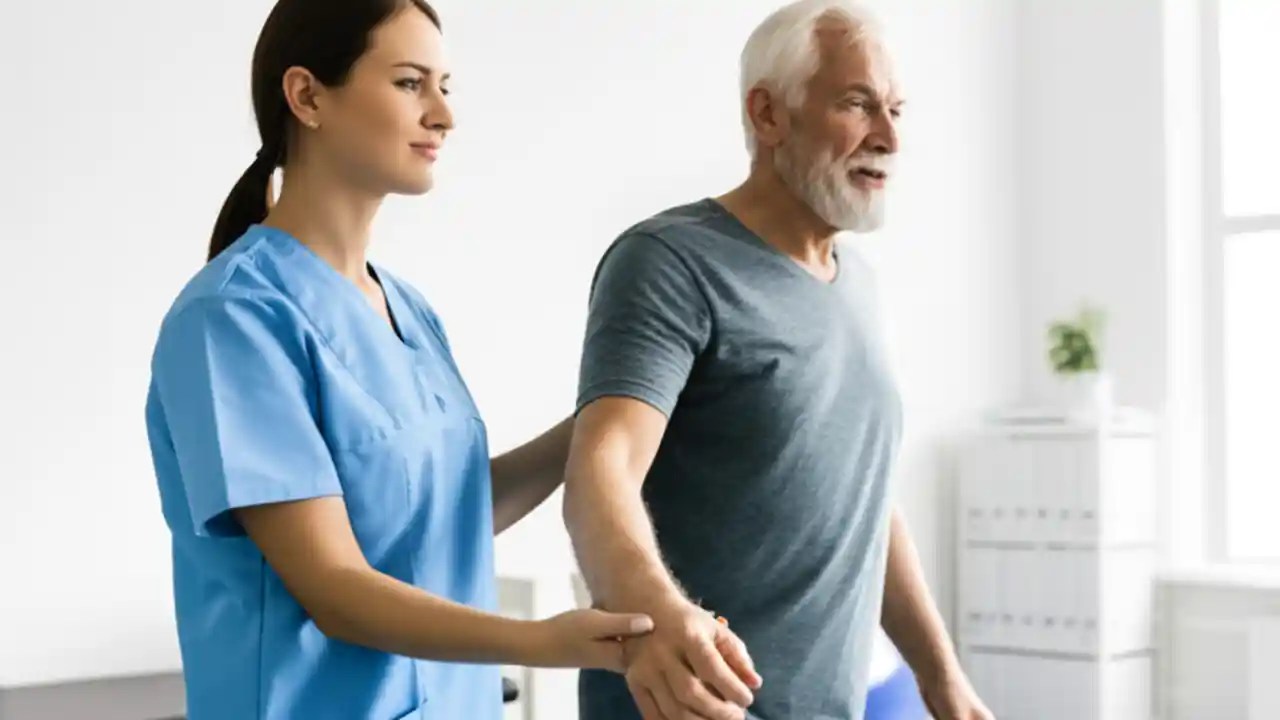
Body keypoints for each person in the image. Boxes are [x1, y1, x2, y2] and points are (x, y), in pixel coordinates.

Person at [143, 2, 653, 718]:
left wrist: (611, 414)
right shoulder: (231, 318)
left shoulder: (406, 308)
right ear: (308, 96)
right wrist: (546, 642)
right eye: (411, 83)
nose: (444, 114)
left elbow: (451, 512)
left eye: (446, 85)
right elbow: (335, 588)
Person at [562, 1, 994, 719]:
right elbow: (600, 472)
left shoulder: (858, 285)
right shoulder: (671, 262)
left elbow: (864, 500)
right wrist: (663, 615)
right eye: (857, 104)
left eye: (895, 108)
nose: (888, 135)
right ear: (768, 115)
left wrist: (942, 678)